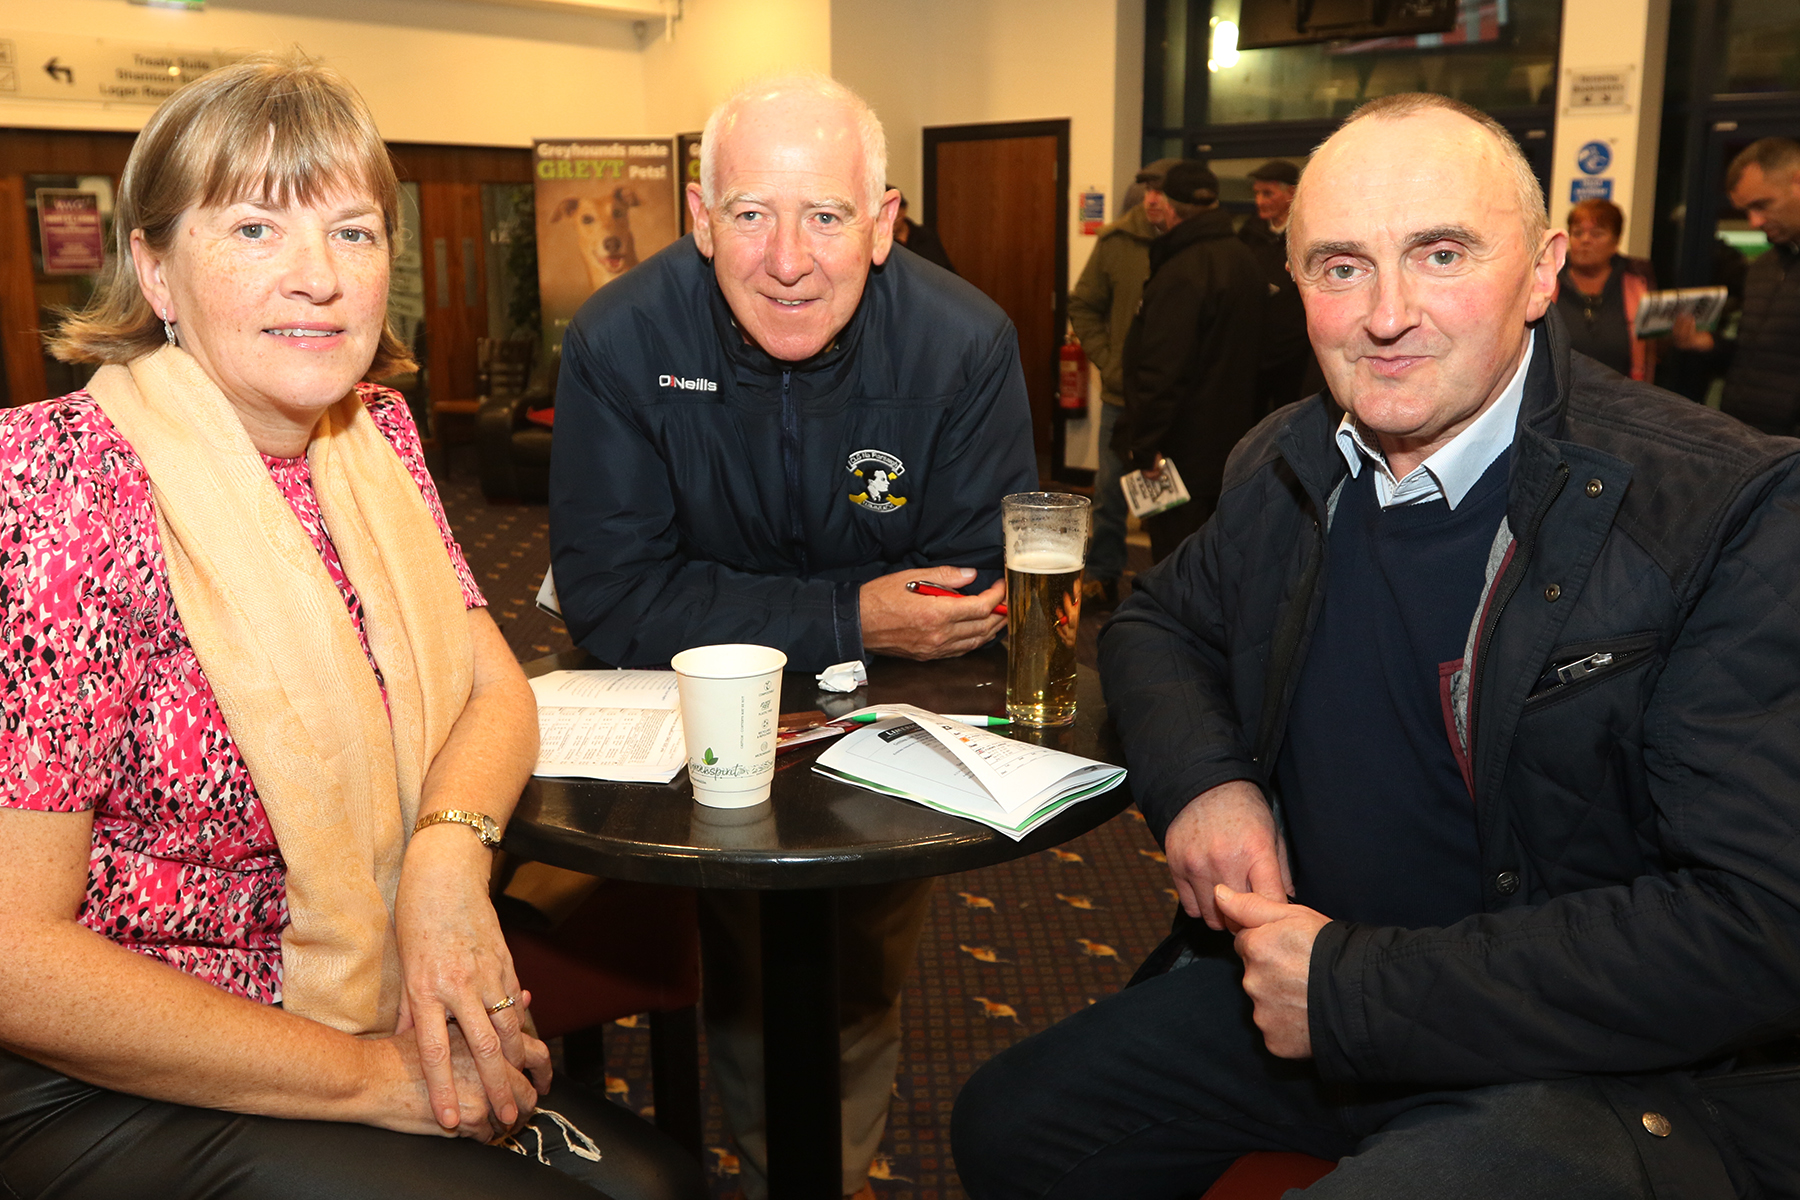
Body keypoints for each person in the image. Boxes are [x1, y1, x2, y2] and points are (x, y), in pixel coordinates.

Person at [953, 93, 1800, 1199]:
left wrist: (1355, 991)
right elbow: (1159, 625)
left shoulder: (1724, 506)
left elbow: (1760, 925)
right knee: (1011, 1126)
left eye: (1441, 254)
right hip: (1309, 983)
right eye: (1341, 267)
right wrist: (1208, 785)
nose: (1387, 314)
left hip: (1584, 1061)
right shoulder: (1288, 458)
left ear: (1543, 272)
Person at [0, 55, 703, 1200]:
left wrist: (444, 863)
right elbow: (12, 959)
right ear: (155, 269)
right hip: (110, 1072)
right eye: (255, 231)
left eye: (354, 232)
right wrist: (369, 1082)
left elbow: (494, 691)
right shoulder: (56, 484)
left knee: (659, 1185)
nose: (318, 277)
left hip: (357, 998)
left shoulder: (375, 440)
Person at [549, 75, 1036, 1200]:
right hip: (681, 726)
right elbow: (615, 604)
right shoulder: (623, 338)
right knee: (741, 953)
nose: (788, 258)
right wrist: (852, 613)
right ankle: (778, 1170)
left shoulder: (963, 342)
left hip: (894, 724)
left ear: (883, 221)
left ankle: (833, 1174)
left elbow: (968, 593)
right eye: (753, 214)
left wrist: (730, 606)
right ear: (700, 215)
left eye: (825, 216)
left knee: (857, 966)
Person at [1116, 160, 1265, 563]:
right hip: (1233, 447)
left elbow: (1163, 371)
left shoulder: (1182, 271)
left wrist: (1145, 448)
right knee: (1218, 560)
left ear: (1169, 206)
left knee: (1178, 562)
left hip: (1181, 453)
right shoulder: (1243, 259)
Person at [1066, 159, 1178, 611]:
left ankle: (1170, 581)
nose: (1153, 198)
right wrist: (1111, 365)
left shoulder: (1188, 245)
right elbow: (1083, 304)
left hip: (1173, 395)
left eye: (1162, 190)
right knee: (1111, 491)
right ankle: (1102, 576)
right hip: (1120, 395)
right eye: (1147, 189)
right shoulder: (1116, 242)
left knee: (1167, 497)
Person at [1676, 137, 1800, 435]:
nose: (1754, 221)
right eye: (1746, 210)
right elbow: (1757, 354)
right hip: (1747, 441)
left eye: (1762, 205)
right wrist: (1710, 345)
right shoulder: (1763, 267)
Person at [1237, 158, 1322, 413]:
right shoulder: (1249, 234)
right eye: (1257, 194)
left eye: (1268, 194)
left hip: (1294, 356)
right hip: (1254, 353)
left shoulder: (1307, 235)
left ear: (1291, 194)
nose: (1260, 201)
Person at [1550, 198, 1657, 380]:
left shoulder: (1637, 283)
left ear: (1615, 241)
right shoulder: (1548, 280)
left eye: (1597, 234)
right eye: (1577, 233)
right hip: (1556, 395)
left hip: (1623, 398)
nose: (1585, 240)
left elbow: (1651, 351)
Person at [889, 186, 958, 274]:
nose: (888, 219)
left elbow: (946, 271)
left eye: (892, 211)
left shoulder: (925, 236)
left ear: (903, 210)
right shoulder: (878, 242)